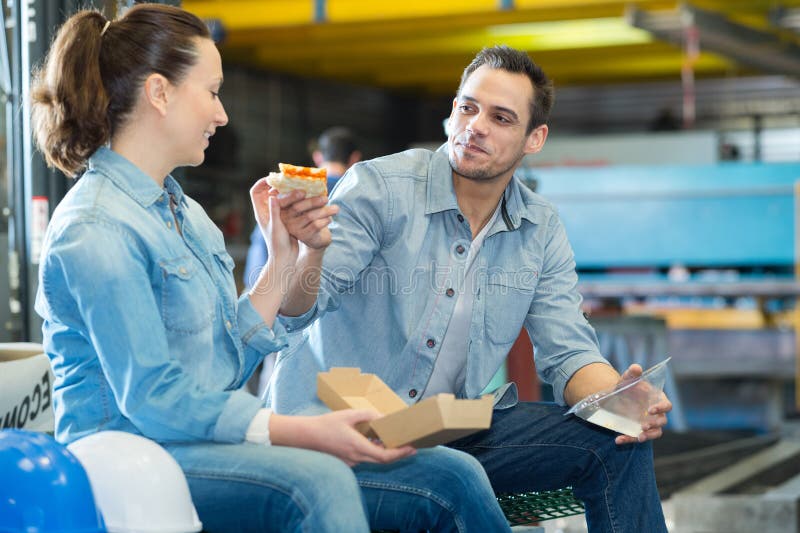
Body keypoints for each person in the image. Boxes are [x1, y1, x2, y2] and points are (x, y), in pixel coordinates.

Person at [30, 6, 512, 532]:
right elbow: (152, 397)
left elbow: (223, 362)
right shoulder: (95, 226)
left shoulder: (183, 214)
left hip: (194, 437)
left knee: (451, 474)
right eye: (212, 92)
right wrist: (297, 430)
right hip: (130, 457)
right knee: (318, 480)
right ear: (159, 93)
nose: (223, 115)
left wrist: (287, 255)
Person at [269, 45, 673, 533]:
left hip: (438, 433)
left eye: (501, 118)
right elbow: (295, 310)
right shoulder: (381, 187)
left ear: (534, 138)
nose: (476, 125)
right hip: (331, 435)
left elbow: (568, 353)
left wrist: (622, 401)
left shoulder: (538, 228)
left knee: (618, 442)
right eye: (467, 107)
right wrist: (306, 253)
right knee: (454, 478)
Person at [243, 126, 361, 289]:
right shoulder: (358, 200)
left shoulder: (285, 191)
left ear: (318, 157)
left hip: (270, 297)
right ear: (355, 159)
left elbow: (255, 268)